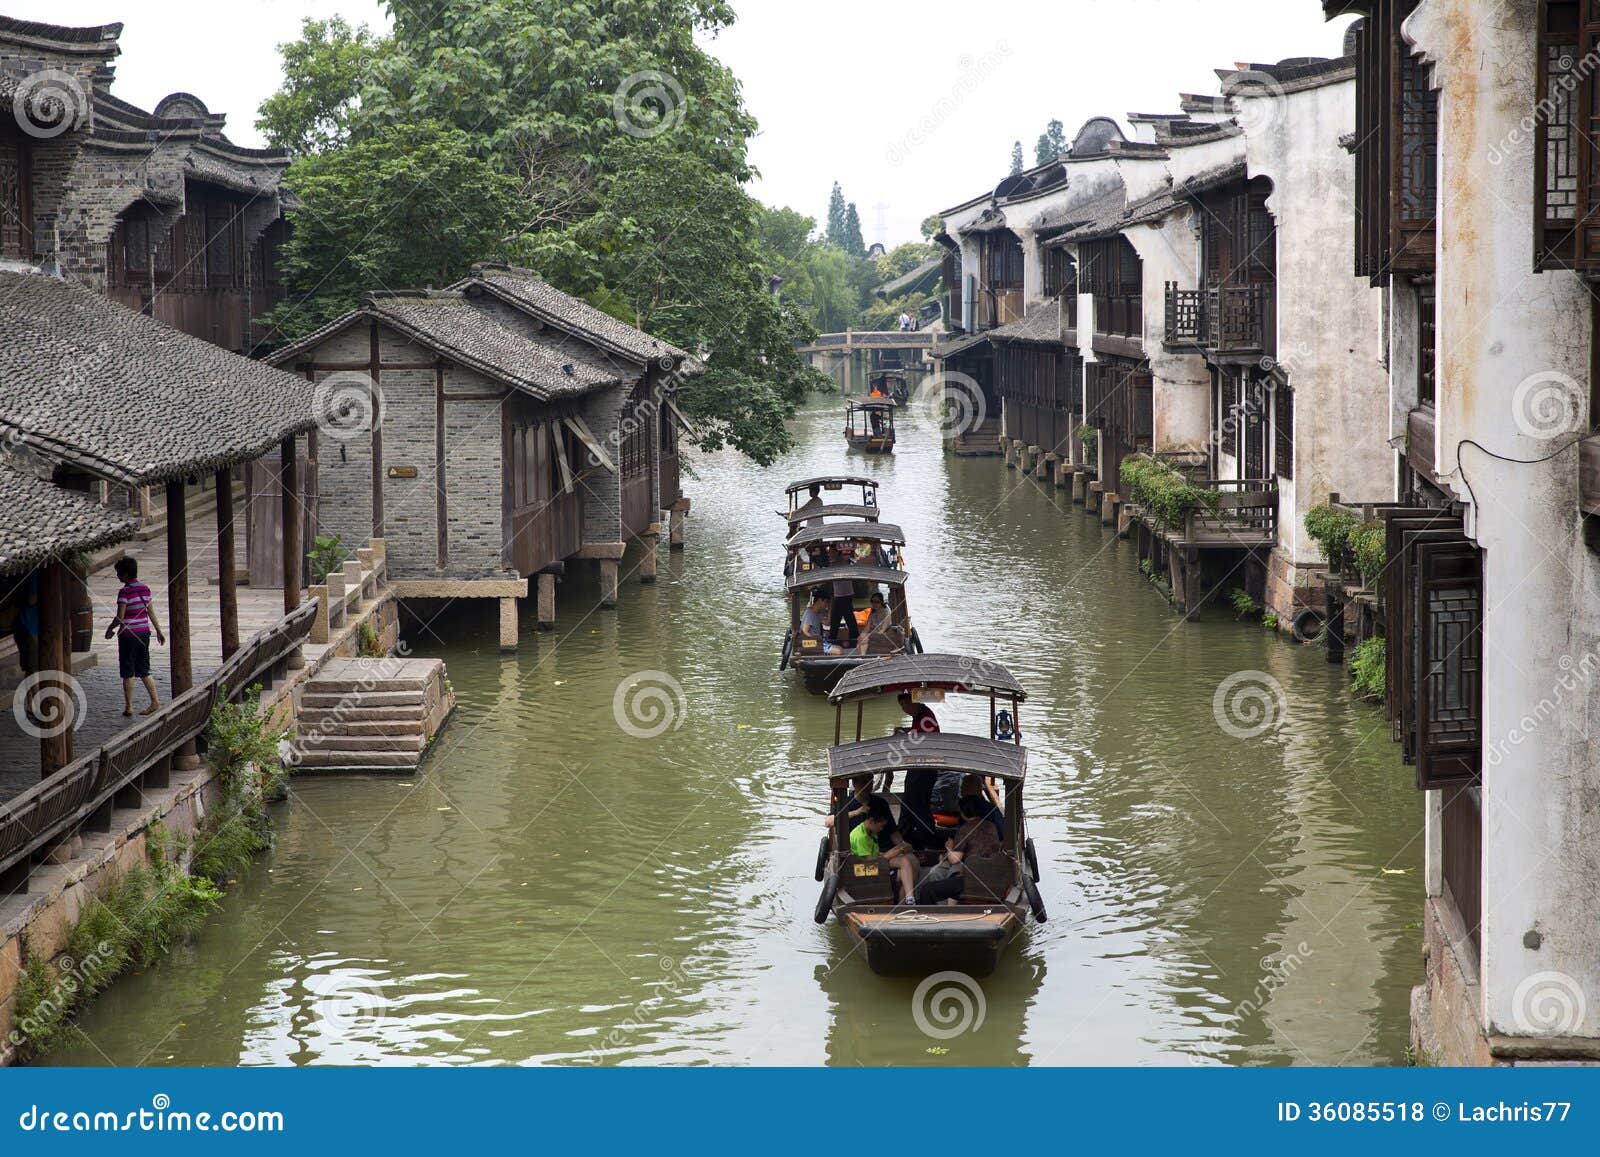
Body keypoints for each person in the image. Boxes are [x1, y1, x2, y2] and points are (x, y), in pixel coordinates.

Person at [105, 557, 164, 716]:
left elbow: (120, 617)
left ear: (125, 574)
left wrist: (110, 628)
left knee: (127, 671)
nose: (117, 576)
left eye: (119, 573)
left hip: (128, 636)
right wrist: (159, 631)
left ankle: (129, 707)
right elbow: (150, 612)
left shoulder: (124, 592)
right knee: (144, 669)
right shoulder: (145, 589)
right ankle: (155, 702)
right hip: (144, 634)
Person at [849, 795, 918, 904]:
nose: (882, 829)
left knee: (905, 861)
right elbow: (871, 862)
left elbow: (875, 854)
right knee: (905, 874)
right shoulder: (861, 837)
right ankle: (902, 903)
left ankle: (909, 900)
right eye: (881, 826)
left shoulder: (871, 831)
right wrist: (892, 853)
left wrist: (898, 850)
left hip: (872, 862)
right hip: (862, 870)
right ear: (871, 821)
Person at [800, 590, 841, 655]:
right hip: (812, 642)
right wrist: (816, 641)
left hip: (819, 640)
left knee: (840, 648)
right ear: (820, 600)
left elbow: (828, 623)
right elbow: (805, 631)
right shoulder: (810, 613)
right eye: (826, 602)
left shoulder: (819, 612)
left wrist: (830, 608)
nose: (827, 604)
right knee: (838, 651)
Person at [855, 591, 893, 656]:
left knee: (865, 639)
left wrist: (868, 636)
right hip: (873, 632)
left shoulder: (886, 611)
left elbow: (882, 630)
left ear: (882, 602)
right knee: (861, 638)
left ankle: (862, 656)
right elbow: (867, 627)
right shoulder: (873, 611)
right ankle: (860, 656)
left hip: (883, 634)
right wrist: (862, 634)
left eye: (877, 602)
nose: (874, 604)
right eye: (872, 601)